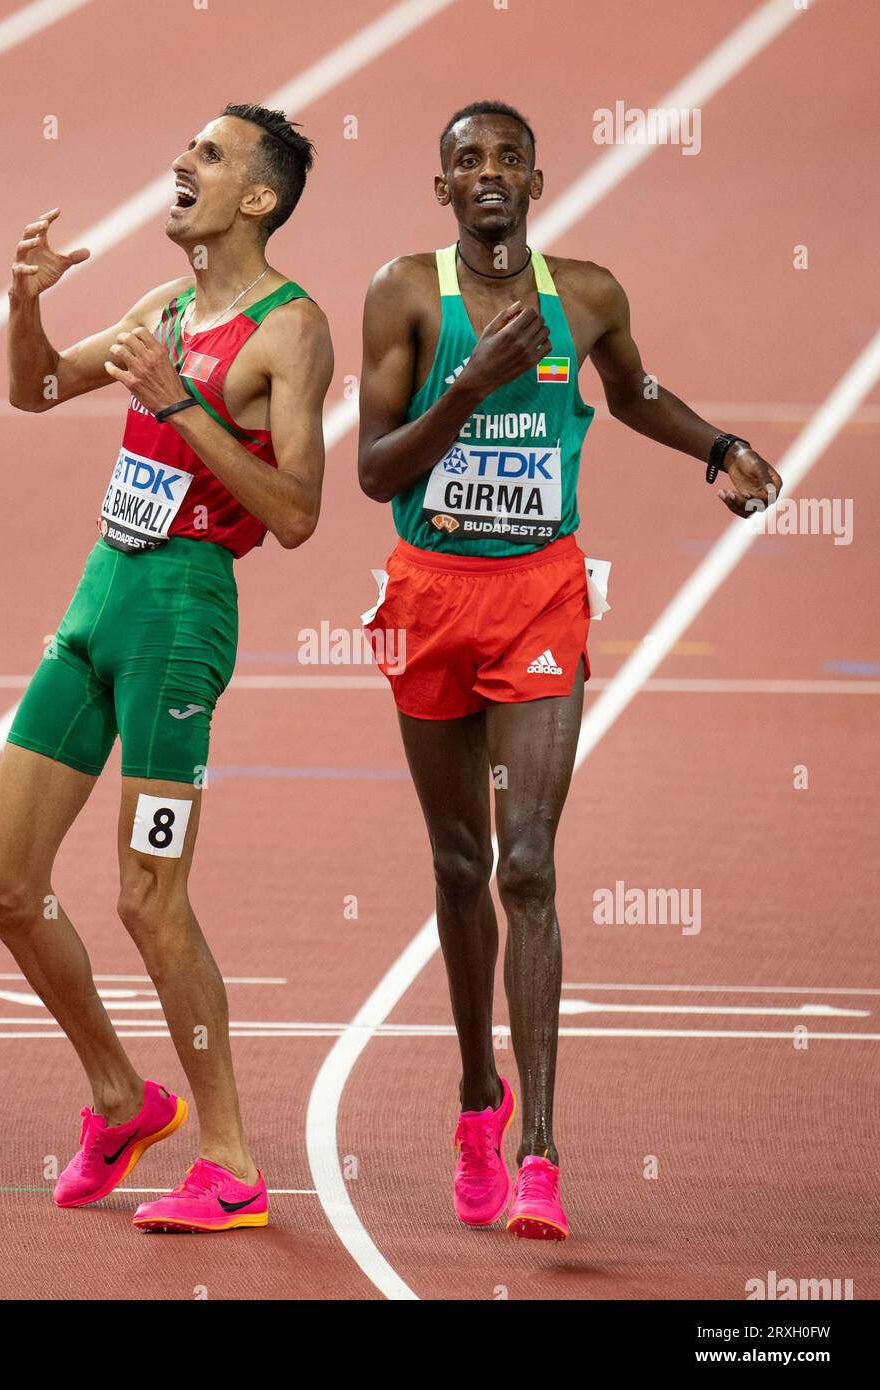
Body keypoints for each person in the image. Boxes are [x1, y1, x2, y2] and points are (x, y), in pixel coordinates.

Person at [357, 100, 780, 1239]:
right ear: (440, 188)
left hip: (538, 592)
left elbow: (630, 394)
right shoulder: (404, 292)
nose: (486, 174)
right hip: (427, 597)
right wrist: (465, 383)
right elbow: (373, 468)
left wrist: (720, 450)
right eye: (464, 161)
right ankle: (474, 1101)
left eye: (505, 158)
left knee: (527, 863)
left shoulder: (584, 294)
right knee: (457, 865)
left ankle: (540, 1147)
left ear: (536, 180)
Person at [0, 103, 333, 1234]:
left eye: (211, 156)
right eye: (185, 148)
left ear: (259, 199)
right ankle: (123, 1099)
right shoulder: (161, 306)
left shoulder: (289, 327)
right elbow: (32, 394)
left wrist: (180, 403)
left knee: (146, 897)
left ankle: (228, 1160)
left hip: (181, 616)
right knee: (3, 884)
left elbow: (298, 515)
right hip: (99, 598)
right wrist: (25, 304)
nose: (183, 161)